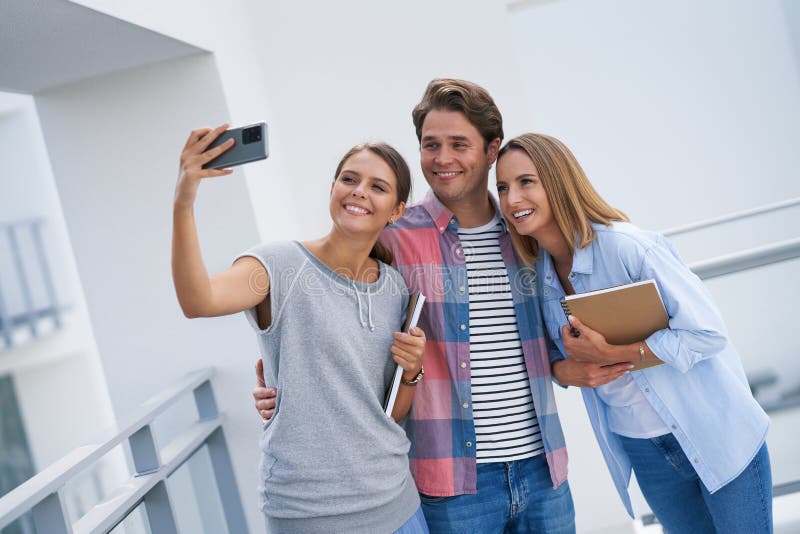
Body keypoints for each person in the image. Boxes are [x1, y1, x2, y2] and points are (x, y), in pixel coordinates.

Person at [255, 80, 577, 533]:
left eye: (458, 144)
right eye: (431, 145)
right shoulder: (392, 235)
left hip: (545, 471)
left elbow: (556, 333)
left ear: (491, 150)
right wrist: (284, 385)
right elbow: (323, 301)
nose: (442, 159)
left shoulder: (526, 232)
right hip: (450, 485)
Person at [495, 132, 772, 533]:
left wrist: (615, 354)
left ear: (557, 180)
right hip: (645, 452)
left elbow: (707, 334)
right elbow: (552, 357)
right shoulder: (535, 279)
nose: (512, 199)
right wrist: (565, 372)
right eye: (503, 187)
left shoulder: (627, 248)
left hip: (716, 434)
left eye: (526, 182)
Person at [172, 128, 429, 534]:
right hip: (308, 517)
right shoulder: (278, 265)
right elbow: (198, 300)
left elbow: (387, 413)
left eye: (377, 187)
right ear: (332, 189)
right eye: (349, 179)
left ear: (395, 211)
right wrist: (184, 199)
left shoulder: (394, 288)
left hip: (398, 510)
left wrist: (412, 371)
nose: (359, 191)